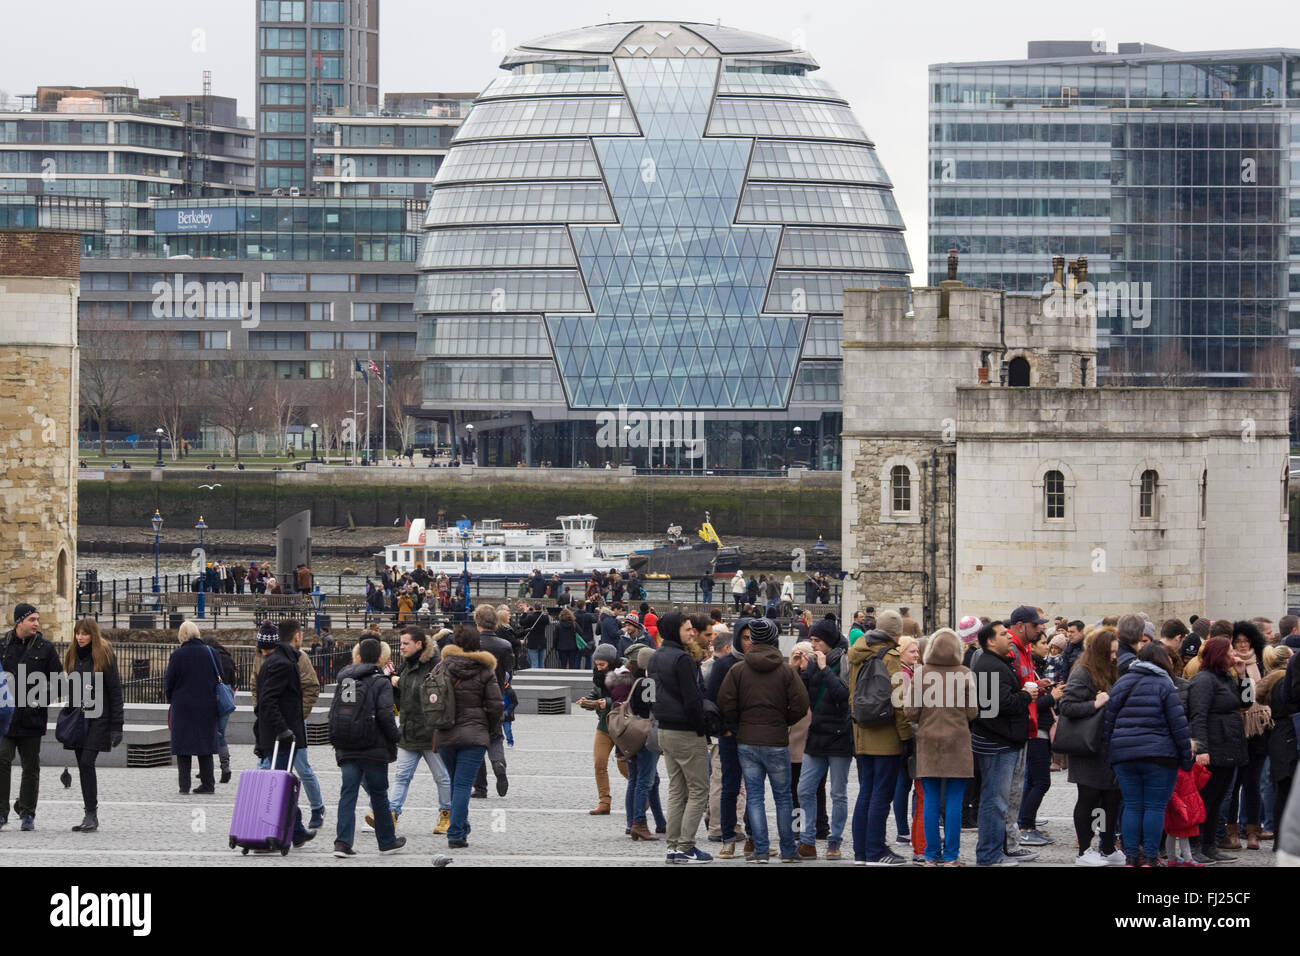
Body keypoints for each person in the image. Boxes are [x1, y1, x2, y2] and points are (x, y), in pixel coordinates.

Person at [717, 616, 809, 863]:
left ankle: (760, 850)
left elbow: (725, 703)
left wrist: (740, 722)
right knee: (783, 797)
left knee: (755, 797)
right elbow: (801, 704)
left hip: (747, 740)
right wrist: (784, 720)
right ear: (775, 640)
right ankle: (788, 851)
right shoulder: (786, 671)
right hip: (776, 740)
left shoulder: (738, 670)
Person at [1105, 643, 1194, 866]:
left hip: (1124, 755)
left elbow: (1108, 722)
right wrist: (1185, 759)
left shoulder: (1121, 682)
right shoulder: (1165, 684)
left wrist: (1111, 753)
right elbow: (1179, 726)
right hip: (1160, 756)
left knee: (1132, 805)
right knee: (1155, 807)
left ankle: (1132, 856)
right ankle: (1152, 856)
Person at [331, 638, 411, 858]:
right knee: (378, 794)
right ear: (379, 658)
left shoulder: (346, 680)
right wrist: (396, 737)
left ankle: (342, 843)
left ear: (358, 656)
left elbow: (339, 711)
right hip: (373, 747)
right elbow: (385, 715)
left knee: (348, 793)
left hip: (347, 745)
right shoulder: (380, 681)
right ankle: (386, 841)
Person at [904, 628, 978, 866]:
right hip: (957, 741)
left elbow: (911, 712)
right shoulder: (965, 674)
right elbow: (973, 712)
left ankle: (930, 855)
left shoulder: (920, 674)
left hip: (928, 741)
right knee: (956, 800)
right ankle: (951, 856)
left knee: (931, 800)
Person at [847, 609, 914, 865]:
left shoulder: (857, 652)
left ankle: (861, 852)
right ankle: (876, 850)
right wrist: (906, 736)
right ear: (897, 634)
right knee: (881, 794)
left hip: (861, 731)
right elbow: (898, 702)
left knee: (866, 792)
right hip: (885, 734)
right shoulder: (891, 655)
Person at [970, 620, 1037, 866]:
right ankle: (989, 855)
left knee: (997, 801)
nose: (1009, 637)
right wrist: (1025, 695)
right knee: (994, 802)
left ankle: (992, 853)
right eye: (1002, 634)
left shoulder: (996, 663)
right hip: (997, 744)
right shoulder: (989, 665)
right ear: (990, 641)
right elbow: (992, 707)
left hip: (1002, 741)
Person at [648, 611, 711, 863]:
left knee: (677, 790)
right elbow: (693, 699)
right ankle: (686, 846)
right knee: (698, 790)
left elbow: (651, 693)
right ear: (676, 631)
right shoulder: (683, 659)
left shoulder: (656, 656)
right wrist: (702, 729)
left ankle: (673, 847)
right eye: (687, 629)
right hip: (686, 731)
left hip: (664, 729)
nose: (692, 632)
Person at [433, 626, 504, 849]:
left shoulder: (443, 666)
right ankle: (456, 833)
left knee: (455, 784)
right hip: (474, 734)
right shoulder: (485, 670)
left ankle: (461, 825)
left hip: (445, 731)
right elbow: (496, 706)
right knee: (463, 785)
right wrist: (491, 730)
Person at [251, 621, 326, 831]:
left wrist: (295, 717)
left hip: (288, 724)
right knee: (274, 777)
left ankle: (315, 809)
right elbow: (257, 688)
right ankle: (292, 829)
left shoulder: (298, 658)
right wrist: (263, 714)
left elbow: (311, 687)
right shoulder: (266, 656)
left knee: (300, 770)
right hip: (274, 724)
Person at [381, 625, 452, 837]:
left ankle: (446, 814)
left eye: (405, 644)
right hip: (409, 731)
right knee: (402, 776)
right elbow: (403, 697)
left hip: (431, 733)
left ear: (419, 644)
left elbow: (429, 693)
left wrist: (399, 682)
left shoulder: (435, 665)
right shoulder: (407, 665)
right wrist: (394, 681)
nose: (401, 647)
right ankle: (391, 815)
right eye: (401, 643)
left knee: (442, 777)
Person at [1060, 628, 1123, 866]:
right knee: (1089, 797)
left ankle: (1106, 847)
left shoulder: (1110, 670)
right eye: (1111, 652)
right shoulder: (1083, 672)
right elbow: (1067, 706)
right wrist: (1095, 703)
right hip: (1087, 746)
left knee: (1110, 797)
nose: (1115, 657)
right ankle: (1084, 850)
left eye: (1116, 652)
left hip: (1106, 745)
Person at [1187, 636, 1251, 864]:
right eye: (1230, 651)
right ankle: (1197, 845)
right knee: (1205, 799)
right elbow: (1198, 716)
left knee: (1217, 800)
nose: (1234, 654)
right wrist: (1201, 749)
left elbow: (1246, 703)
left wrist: (1243, 675)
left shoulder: (1226, 677)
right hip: (1213, 748)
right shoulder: (1203, 680)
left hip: (1229, 745)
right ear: (1218, 654)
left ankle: (1210, 845)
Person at [0, 603, 62, 830]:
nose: (37, 623)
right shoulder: (2, 645)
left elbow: (59, 683)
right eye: (32, 619)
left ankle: (27, 812)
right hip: (5, 720)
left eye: (38, 619)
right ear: (19, 622)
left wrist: (40, 699)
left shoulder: (46, 648)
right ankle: (1, 812)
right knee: (2, 761)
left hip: (32, 718)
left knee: (31, 767)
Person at [796, 617, 853, 859]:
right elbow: (803, 698)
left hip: (840, 736)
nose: (813, 644)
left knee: (838, 793)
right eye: (811, 639)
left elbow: (843, 696)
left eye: (817, 640)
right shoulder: (812, 663)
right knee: (805, 789)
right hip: (817, 735)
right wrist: (799, 670)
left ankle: (834, 841)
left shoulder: (845, 662)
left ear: (828, 642)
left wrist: (823, 669)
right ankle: (807, 839)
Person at [62, 618, 124, 833]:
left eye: (84, 634)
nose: (80, 637)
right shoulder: (71, 655)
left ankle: (91, 813)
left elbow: (115, 691)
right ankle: (89, 813)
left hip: (99, 718)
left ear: (92, 635)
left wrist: (117, 725)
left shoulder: (104, 655)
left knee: (87, 762)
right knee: (82, 765)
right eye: (78, 633)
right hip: (79, 718)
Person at [704, 617, 757, 856]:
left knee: (755, 787)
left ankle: (755, 838)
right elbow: (711, 699)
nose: (750, 642)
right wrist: (721, 728)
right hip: (731, 734)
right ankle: (727, 835)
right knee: (730, 786)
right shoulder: (724, 664)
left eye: (754, 637)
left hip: (756, 734)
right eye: (746, 637)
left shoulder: (762, 662)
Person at [1002, 605, 1047, 860]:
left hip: (1024, 726)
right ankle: (1006, 844)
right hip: (1013, 729)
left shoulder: (1025, 649)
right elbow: (1002, 695)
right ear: (1020, 625)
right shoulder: (1011, 651)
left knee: (1015, 790)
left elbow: (1022, 685)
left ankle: (1010, 842)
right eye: (1035, 624)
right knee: (1008, 792)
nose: (1040, 628)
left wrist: (1037, 687)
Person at [1220, 621, 1268, 851]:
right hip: (1236, 731)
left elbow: (1261, 697)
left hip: (1258, 731)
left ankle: (1253, 831)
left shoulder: (1261, 664)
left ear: (1252, 642)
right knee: (1233, 784)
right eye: (1237, 642)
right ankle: (1232, 830)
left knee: (1253, 783)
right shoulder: (1228, 666)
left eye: (1245, 641)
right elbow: (1240, 701)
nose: (1241, 645)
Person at [163, 620, 222, 798]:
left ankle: (184, 785)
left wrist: (171, 698)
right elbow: (221, 675)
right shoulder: (211, 652)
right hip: (207, 704)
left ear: (182, 635)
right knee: (205, 745)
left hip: (183, 706)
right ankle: (207, 783)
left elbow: (169, 682)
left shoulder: (177, 655)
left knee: (183, 747)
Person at [578, 643, 627, 815]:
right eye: (597, 665)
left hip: (623, 727)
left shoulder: (624, 674)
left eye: (602, 665)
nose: (599, 668)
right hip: (604, 726)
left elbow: (626, 698)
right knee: (599, 763)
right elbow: (595, 694)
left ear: (611, 663)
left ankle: (645, 795)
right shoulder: (599, 677)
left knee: (624, 767)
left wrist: (605, 702)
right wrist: (587, 702)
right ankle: (604, 802)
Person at [471, 604, 513, 799]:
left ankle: (480, 787)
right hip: (495, 696)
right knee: (495, 737)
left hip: (473, 698)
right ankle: (499, 763)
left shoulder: (470, 644)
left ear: (477, 621)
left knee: (476, 741)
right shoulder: (505, 646)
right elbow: (508, 673)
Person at [200, 633, 236, 784]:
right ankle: (225, 767)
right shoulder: (228, 657)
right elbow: (234, 681)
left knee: (208, 733)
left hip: (212, 698)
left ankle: (206, 770)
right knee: (220, 734)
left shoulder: (210, 657)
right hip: (226, 701)